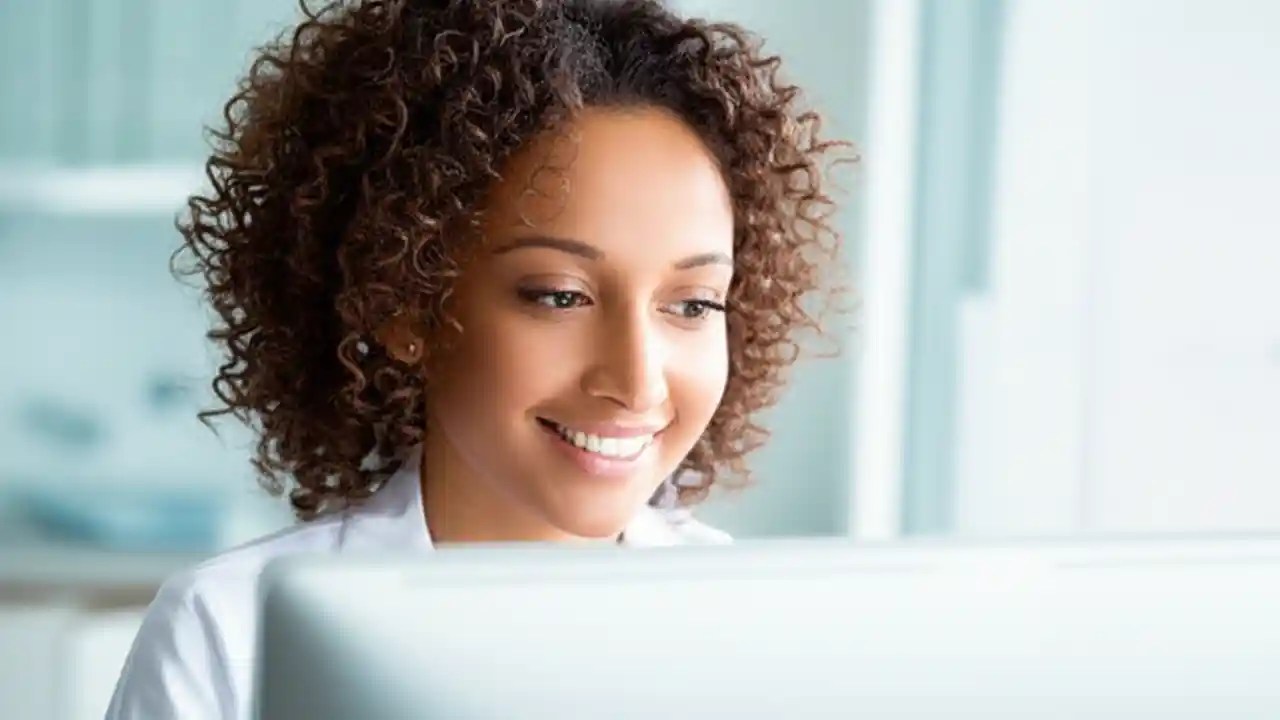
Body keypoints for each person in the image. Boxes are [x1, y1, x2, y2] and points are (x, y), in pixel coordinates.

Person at [106, 0, 848, 717]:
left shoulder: (765, 632)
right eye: (560, 296)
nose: (636, 381)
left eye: (692, 305)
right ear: (404, 305)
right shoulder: (232, 636)